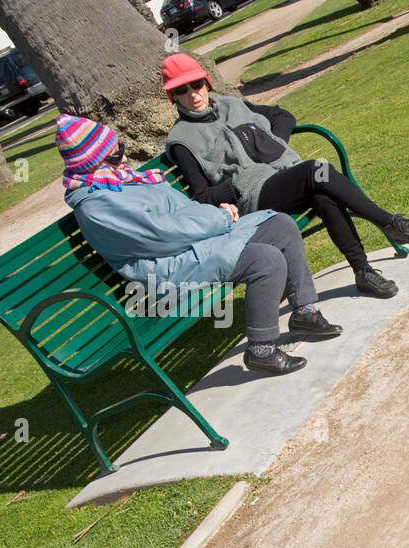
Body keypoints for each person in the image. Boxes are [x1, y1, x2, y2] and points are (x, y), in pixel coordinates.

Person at [57, 113, 342, 376]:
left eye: (119, 147)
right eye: (116, 152)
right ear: (93, 161)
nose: (125, 156)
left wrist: (218, 217)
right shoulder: (98, 204)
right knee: (264, 260)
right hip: (168, 270)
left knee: (279, 225)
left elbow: (184, 212)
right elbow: (162, 235)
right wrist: (220, 218)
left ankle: (305, 312)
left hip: (193, 246)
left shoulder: (120, 181)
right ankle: (261, 349)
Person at [160, 53, 409, 299]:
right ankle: (389, 222)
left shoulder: (231, 105)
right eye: (181, 90)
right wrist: (234, 187)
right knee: (316, 170)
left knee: (323, 194)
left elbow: (281, 115)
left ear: (206, 83)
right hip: (253, 198)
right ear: (173, 97)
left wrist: (269, 144)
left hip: (282, 178)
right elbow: (201, 195)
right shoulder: (182, 140)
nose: (192, 94)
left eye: (196, 85)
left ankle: (363, 271)